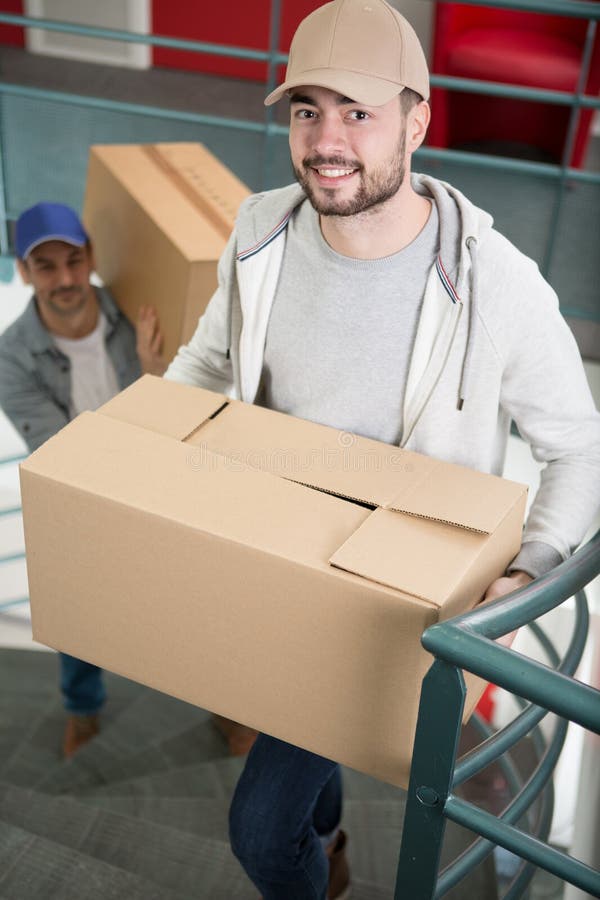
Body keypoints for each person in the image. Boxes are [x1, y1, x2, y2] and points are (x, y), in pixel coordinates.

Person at [163, 0, 600, 896]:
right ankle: (334, 853)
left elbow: (581, 447)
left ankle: (316, 867)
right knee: (305, 770)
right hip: (270, 568)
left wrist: (531, 570)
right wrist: (151, 458)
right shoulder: (259, 232)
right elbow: (207, 361)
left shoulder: (497, 283)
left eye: (358, 113)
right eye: (306, 111)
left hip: (392, 614)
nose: (327, 141)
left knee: (258, 829)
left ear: (419, 119)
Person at [0, 201, 164, 758]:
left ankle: (220, 704)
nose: (66, 279)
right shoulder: (12, 357)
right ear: (23, 272)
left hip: (159, 483)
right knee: (74, 610)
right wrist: (151, 387)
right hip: (76, 497)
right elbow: (63, 455)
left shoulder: (138, 313)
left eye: (74, 260)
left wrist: (159, 375)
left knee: (189, 596)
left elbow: (196, 408)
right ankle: (83, 709)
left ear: (92, 256)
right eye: (46, 267)